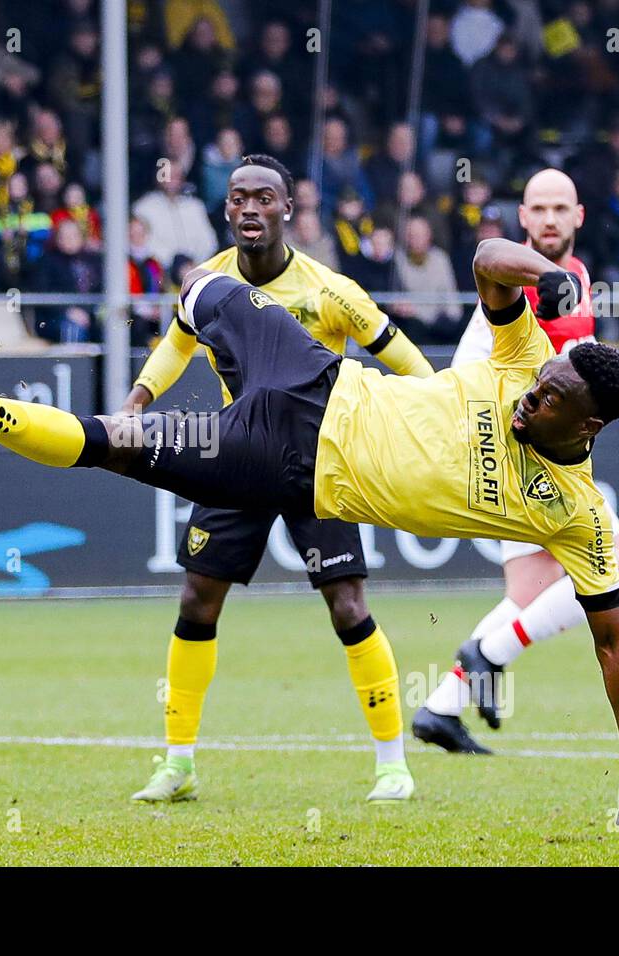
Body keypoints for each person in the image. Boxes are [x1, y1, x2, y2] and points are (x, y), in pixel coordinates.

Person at [0, 237, 619, 840]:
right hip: (312, 372)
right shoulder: (524, 359)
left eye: (550, 400)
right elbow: (489, 256)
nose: (532, 398)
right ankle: (198, 348)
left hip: (288, 464)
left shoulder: (576, 512)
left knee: (112, 445)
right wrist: (546, 272)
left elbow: (614, 641)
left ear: (586, 426)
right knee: (204, 290)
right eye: (540, 383)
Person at [113, 155, 433, 804]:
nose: (250, 208)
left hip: (320, 461)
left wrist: (437, 416)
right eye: (238, 199)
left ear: (287, 209)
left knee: (348, 605)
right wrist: (136, 402)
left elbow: (405, 360)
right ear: (226, 210)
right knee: (196, 600)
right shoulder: (208, 286)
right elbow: (177, 343)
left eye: (264, 197)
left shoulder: (331, 291)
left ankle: (392, 765)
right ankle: (178, 764)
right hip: (241, 453)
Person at [418, 168, 619, 753]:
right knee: (615, 572)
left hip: (495, 445)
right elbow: (566, 370)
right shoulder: (545, 279)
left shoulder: (572, 276)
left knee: (530, 593)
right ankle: (487, 654)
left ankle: (442, 707)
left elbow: (568, 358)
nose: (547, 218)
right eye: (537, 208)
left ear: (578, 217)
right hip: (508, 447)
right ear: (521, 217)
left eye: (558, 208)